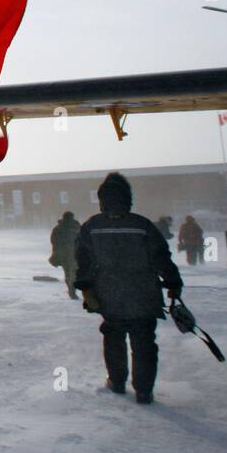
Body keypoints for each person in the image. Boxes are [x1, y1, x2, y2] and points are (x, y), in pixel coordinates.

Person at [75, 172, 182, 405]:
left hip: (109, 296)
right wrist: (173, 283)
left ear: (102, 199)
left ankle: (117, 381)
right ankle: (144, 390)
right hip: (143, 296)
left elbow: (83, 261)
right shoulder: (142, 225)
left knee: (113, 339)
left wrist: (86, 287)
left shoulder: (91, 227)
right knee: (144, 343)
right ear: (128, 198)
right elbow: (161, 258)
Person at [48, 211, 80, 298]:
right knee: (73, 272)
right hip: (74, 254)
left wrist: (56, 252)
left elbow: (53, 241)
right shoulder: (77, 227)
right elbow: (82, 240)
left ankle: (71, 289)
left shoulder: (58, 228)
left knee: (67, 273)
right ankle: (72, 290)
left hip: (62, 254)